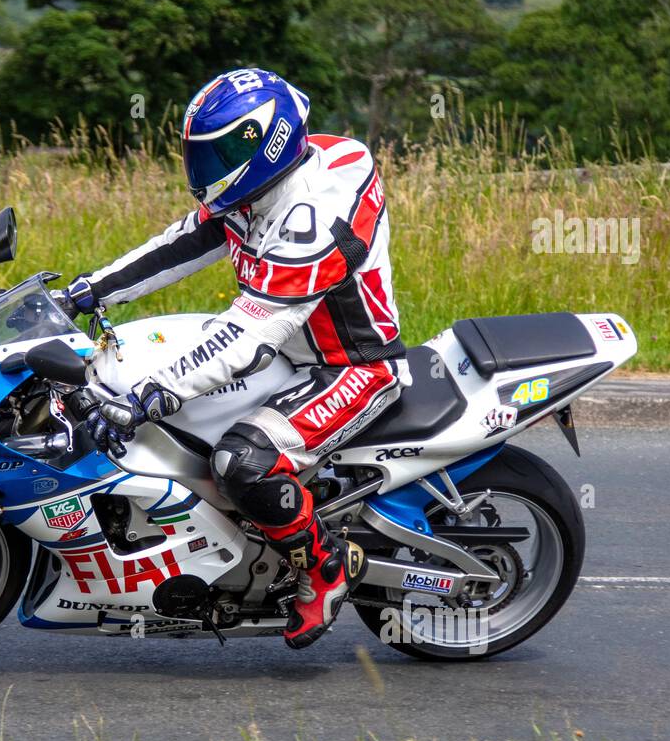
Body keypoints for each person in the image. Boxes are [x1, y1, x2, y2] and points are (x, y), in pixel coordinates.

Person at [54, 67, 408, 649]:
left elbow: (247, 334)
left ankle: (320, 568)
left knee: (241, 461)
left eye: (219, 155)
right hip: (286, 352)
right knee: (140, 385)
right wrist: (86, 292)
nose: (205, 172)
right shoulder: (266, 184)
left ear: (267, 142)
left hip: (349, 366)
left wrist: (149, 396)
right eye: (200, 156)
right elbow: (187, 240)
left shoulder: (315, 215)